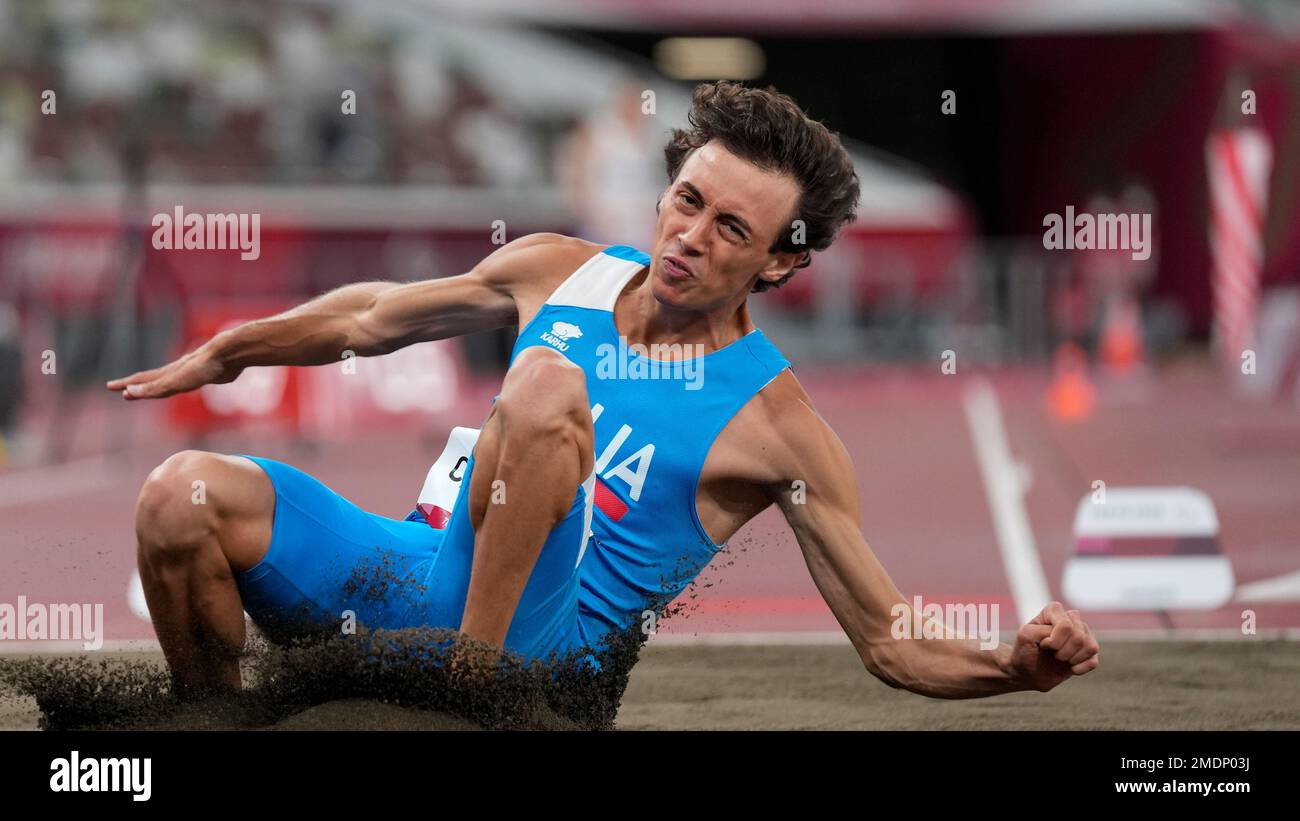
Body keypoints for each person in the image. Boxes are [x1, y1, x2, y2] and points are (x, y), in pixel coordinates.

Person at [109, 82, 1099, 701]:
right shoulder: (560, 271)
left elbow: (888, 637)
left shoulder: (776, 425)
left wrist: (1015, 665)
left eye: (730, 232)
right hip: (421, 567)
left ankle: (475, 702)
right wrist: (236, 348)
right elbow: (376, 314)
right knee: (179, 495)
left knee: (543, 385)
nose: (689, 237)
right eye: (687, 201)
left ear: (778, 267)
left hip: (546, 657)